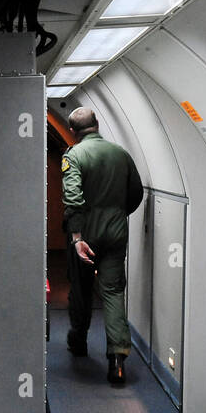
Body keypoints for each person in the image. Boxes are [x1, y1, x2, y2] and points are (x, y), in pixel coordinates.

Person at [60, 107, 144, 383]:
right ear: (97, 125)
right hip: (116, 233)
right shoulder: (121, 154)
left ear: (73, 131)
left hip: (85, 234)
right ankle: (117, 359)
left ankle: (79, 341)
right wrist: (116, 215)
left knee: (81, 288)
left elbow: (73, 199)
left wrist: (77, 238)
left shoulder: (74, 156)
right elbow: (136, 193)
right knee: (113, 291)